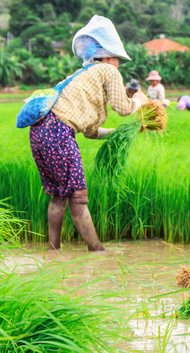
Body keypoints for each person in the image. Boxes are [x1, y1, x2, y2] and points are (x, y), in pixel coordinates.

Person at [30, 16, 147, 252]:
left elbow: (91, 132)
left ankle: (53, 250)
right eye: (117, 59)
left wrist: (117, 133)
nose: (118, 65)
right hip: (59, 133)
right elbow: (123, 108)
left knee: (58, 195)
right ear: (108, 56)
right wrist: (139, 101)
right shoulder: (107, 70)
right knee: (78, 195)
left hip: (39, 132)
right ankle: (97, 251)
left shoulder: (82, 78)